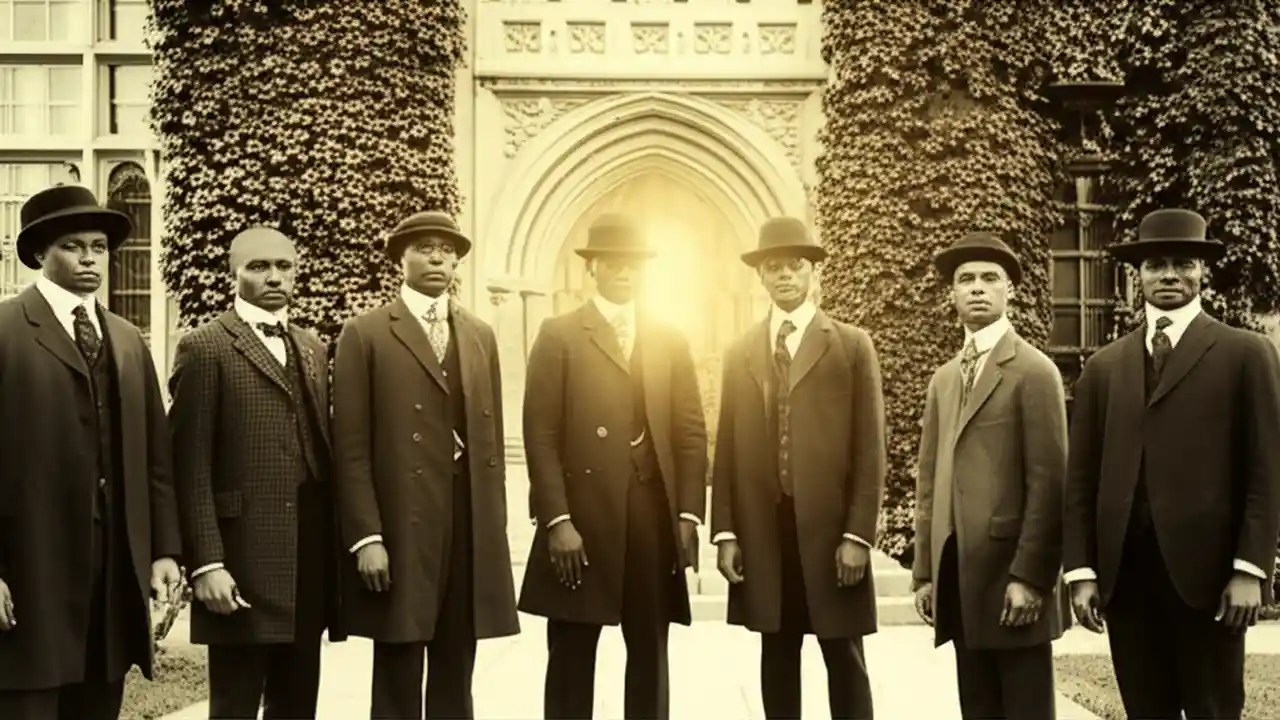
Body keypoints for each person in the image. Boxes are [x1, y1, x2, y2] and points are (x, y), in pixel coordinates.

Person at [1064, 208, 1280, 720]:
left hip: (1209, 580)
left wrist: (1249, 569)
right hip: (1127, 578)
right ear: (1136, 275)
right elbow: (1081, 480)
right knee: (1145, 709)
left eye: (1183, 263)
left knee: (1213, 708)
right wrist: (1082, 571)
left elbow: (1266, 471)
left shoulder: (1244, 354)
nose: (1169, 276)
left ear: (1202, 272)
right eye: (1155, 265)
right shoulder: (1104, 367)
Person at [0, 184, 182, 719]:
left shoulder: (126, 340)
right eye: (73, 246)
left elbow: (155, 459)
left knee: (99, 704)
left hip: (110, 581)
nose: (89, 259)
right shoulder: (6, 331)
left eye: (99, 247)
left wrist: (164, 549)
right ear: (40, 254)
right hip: (31, 569)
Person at [518, 213, 707, 719]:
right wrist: (557, 521)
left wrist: (688, 515)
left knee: (649, 650)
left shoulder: (669, 337)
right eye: (615, 263)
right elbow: (540, 434)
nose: (626, 272)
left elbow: (690, 432)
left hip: (650, 514)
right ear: (593, 268)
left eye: (636, 264)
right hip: (581, 520)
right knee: (573, 654)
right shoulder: (558, 334)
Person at [332, 210, 519, 719]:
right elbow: (349, 449)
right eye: (424, 247)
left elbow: (492, 444)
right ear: (401, 259)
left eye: (446, 249)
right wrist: (367, 537)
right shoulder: (365, 333)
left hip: (466, 519)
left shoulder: (479, 335)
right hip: (401, 522)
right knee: (399, 662)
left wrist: (492, 528)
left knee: (458, 665)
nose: (438, 257)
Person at [709, 216, 886, 720]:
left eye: (795, 265)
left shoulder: (850, 345)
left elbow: (870, 449)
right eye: (773, 267)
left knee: (843, 653)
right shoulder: (742, 349)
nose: (784, 275)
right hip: (766, 528)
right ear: (760, 277)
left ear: (813, 274)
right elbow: (728, 444)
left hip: (831, 531)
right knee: (777, 651)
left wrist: (858, 534)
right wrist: (725, 531)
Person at [168, 226, 346, 719]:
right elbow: (189, 464)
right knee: (235, 703)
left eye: (284, 267)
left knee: (297, 699)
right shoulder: (206, 347)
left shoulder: (311, 347)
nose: (274, 278)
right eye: (259, 267)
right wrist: (206, 563)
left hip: (308, 551)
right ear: (234, 274)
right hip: (240, 554)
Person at [911, 232, 1068, 719]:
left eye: (989, 278)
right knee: (977, 708)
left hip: (1011, 578)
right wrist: (925, 573)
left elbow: (1050, 484)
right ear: (952, 294)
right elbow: (930, 480)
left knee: (1024, 708)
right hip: (960, 577)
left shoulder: (1034, 371)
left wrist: (1031, 577)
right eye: (965, 279)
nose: (977, 288)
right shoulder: (944, 378)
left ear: (1009, 291)